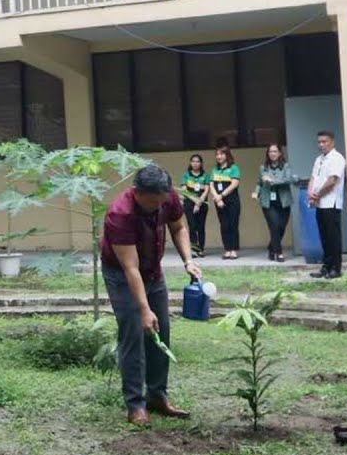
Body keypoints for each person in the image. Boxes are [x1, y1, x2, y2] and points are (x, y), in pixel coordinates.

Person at [100, 165, 201, 426]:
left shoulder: (167, 196)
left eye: (162, 200)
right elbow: (130, 267)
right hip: (123, 274)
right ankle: (135, 404)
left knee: (161, 330)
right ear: (137, 193)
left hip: (152, 270)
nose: (159, 206)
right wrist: (144, 309)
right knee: (134, 330)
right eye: (153, 202)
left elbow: (178, 227)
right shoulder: (119, 214)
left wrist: (188, 261)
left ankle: (157, 395)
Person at [307, 130, 347, 279]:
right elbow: (313, 177)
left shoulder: (337, 158)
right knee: (324, 237)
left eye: (325, 142)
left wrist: (317, 195)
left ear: (332, 142)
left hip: (331, 203)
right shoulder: (319, 159)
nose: (321, 144)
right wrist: (310, 192)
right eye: (319, 142)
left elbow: (332, 181)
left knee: (333, 237)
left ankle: (336, 268)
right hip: (319, 203)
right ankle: (326, 266)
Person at [253, 144, 296, 263]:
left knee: (281, 227)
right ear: (268, 154)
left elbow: (288, 179)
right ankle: (278, 252)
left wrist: (273, 181)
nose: (273, 153)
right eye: (270, 151)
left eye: (275, 151)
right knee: (274, 226)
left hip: (284, 202)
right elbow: (259, 183)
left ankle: (271, 247)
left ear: (280, 153)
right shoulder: (263, 168)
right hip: (268, 202)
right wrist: (256, 192)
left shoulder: (286, 166)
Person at [209, 143, 242, 259]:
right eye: (217, 154)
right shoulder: (214, 170)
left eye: (221, 154)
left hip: (232, 200)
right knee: (224, 225)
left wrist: (221, 196)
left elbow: (234, 184)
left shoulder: (233, 168)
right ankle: (227, 249)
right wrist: (217, 198)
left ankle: (234, 250)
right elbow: (211, 184)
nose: (219, 156)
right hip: (218, 200)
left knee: (233, 224)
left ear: (227, 155)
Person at [181, 154, 210, 258]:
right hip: (189, 204)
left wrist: (199, 202)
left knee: (201, 227)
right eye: (193, 161)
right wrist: (195, 201)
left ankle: (201, 249)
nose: (195, 163)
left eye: (197, 161)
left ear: (201, 163)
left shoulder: (205, 175)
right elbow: (184, 190)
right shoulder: (186, 175)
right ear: (190, 163)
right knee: (192, 226)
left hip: (202, 204)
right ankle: (194, 249)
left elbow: (207, 190)